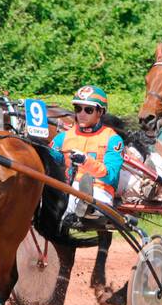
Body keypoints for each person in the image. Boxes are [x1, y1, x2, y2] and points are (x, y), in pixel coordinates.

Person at [52, 85, 124, 227]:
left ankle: (85, 205)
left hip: (100, 190)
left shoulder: (113, 139)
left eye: (88, 110)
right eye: (78, 109)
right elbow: (49, 159)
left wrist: (86, 161)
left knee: (87, 196)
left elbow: (111, 176)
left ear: (100, 112)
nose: (82, 114)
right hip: (69, 189)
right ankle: (78, 205)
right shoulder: (63, 137)